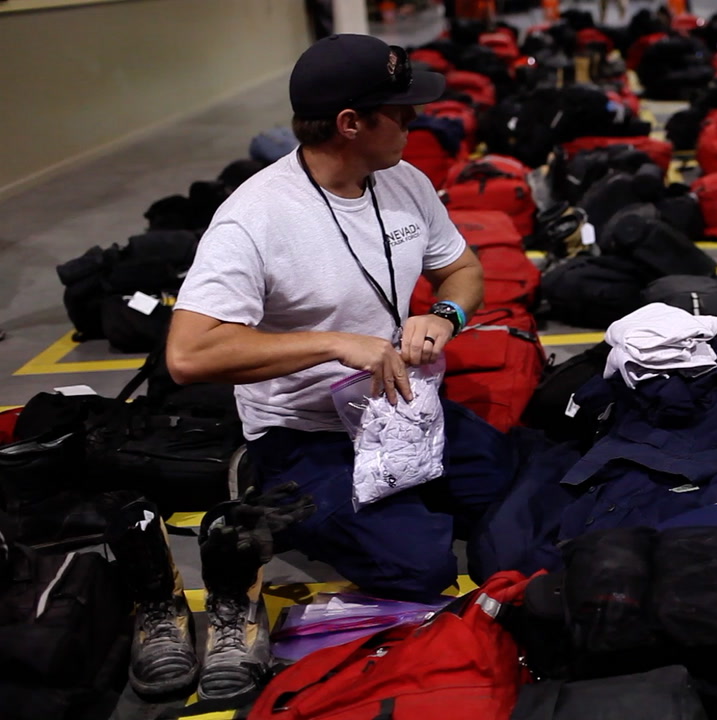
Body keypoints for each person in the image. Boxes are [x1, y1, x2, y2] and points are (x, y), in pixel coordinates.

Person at [162, 33, 486, 698]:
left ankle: (404, 497)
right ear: (350, 124)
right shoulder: (254, 218)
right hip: (305, 432)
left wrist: (444, 317)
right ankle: (265, 496)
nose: (413, 120)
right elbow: (187, 354)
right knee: (421, 564)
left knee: (507, 488)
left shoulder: (405, 181)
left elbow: (462, 268)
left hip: (397, 407)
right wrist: (333, 342)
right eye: (398, 111)